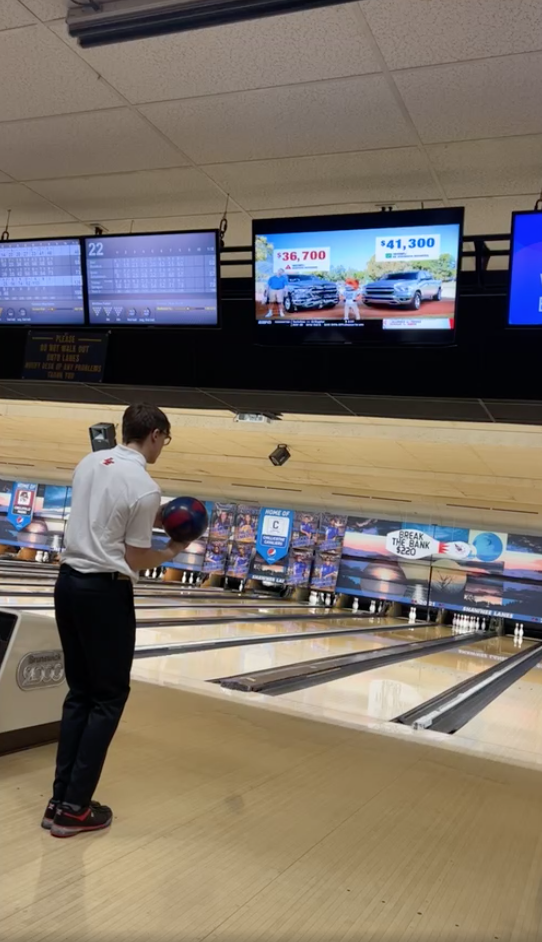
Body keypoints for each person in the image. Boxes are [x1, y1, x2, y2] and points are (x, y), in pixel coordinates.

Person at [42, 403, 187, 838]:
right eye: (166, 439)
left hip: (67, 585)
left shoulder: (89, 462)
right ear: (157, 435)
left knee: (79, 694)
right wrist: (172, 550)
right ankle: (76, 809)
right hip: (104, 593)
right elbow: (134, 556)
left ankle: (58, 801)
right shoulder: (146, 486)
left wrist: (150, 517)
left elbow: (104, 514)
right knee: (107, 699)